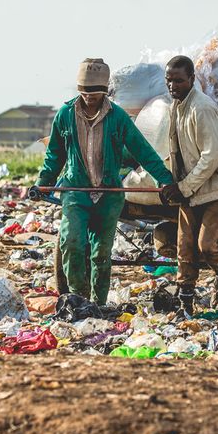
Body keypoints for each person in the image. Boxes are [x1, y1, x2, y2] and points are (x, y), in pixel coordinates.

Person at [31, 58, 174, 305]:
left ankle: (98, 303)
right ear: (79, 90)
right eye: (85, 92)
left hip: (109, 193)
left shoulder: (118, 117)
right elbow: (55, 153)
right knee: (72, 242)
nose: (89, 97)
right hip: (76, 190)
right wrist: (44, 181)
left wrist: (166, 180)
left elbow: (142, 152)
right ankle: (78, 297)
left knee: (100, 254)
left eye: (95, 93)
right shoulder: (65, 115)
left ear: (105, 92)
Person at [163, 55, 218, 311]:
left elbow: (212, 157)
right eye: (169, 81)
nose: (172, 86)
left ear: (191, 80)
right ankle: (185, 305)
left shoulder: (202, 108)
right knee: (184, 248)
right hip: (191, 186)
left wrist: (184, 187)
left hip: (217, 188)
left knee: (206, 245)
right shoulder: (176, 106)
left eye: (178, 80)